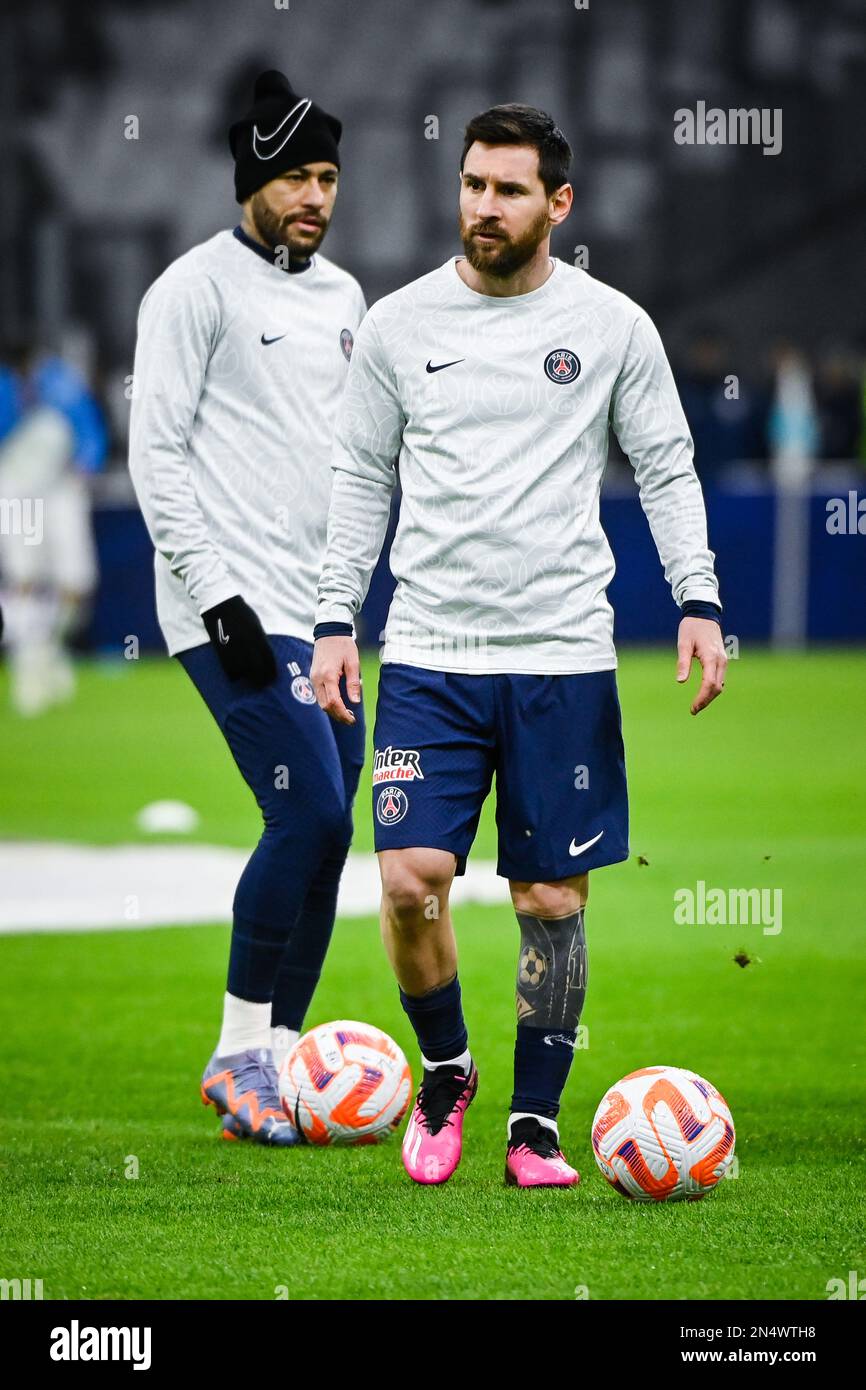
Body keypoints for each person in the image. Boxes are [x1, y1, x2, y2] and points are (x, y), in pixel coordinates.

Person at [311, 104, 727, 1187]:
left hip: (561, 656)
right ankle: (445, 1070)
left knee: (549, 906)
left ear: (558, 203)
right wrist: (331, 618)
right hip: (431, 655)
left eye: (506, 189)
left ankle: (533, 1121)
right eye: (471, 185)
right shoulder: (401, 326)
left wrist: (697, 598)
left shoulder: (610, 327)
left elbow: (668, 467)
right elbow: (359, 477)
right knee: (411, 880)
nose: (482, 207)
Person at [128, 70, 367, 1146]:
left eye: (326, 177)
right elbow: (155, 454)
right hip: (226, 608)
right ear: (251, 180)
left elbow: (356, 464)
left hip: (318, 614)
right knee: (305, 813)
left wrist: (346, 610)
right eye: (295, 177)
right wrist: (215, 595)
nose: (315, 195)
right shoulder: (191, 290)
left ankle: (277, 1062)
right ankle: (237, 1050)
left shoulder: (348, 298)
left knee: (331, 835)